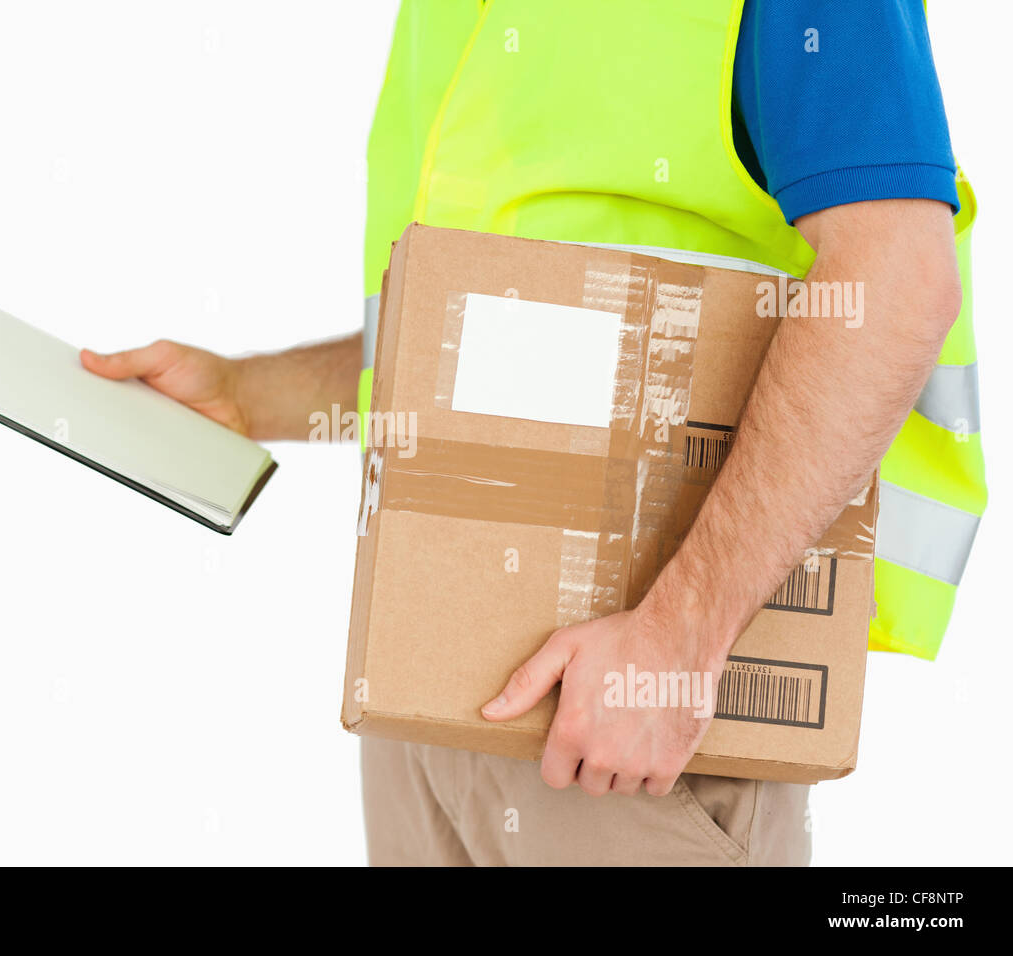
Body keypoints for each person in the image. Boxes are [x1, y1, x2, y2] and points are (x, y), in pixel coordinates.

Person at [81, 1, 983, 866]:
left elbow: (896, 281)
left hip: (633, 732)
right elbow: (495, 337)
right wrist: (250, 393)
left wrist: (677, 639)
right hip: (428, 701)